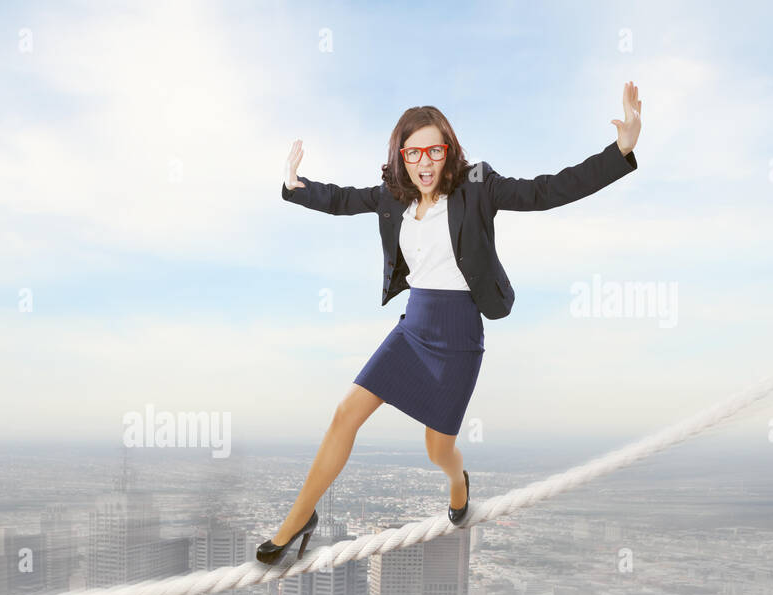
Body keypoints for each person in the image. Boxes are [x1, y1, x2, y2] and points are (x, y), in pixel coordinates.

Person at [256, 83, 643, 565]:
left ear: (448, 151)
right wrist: (296, 185)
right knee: (345, 414)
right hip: (412, 329)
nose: (424, 161)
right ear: (401, 155)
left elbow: (546, 190)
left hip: (459, 335)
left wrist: (620, 150)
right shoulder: (393, 197)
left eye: (434, 150)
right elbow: (342, 199)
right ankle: (299, 518)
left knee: (438, 450)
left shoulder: (477, 185)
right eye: (413, 151)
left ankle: (458, 483)